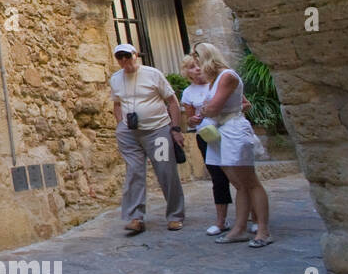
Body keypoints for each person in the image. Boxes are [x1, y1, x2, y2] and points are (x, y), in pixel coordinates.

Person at [196, 43, 273, 247]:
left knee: (250, 181)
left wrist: (205, 109)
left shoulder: (227, 76)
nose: (195, 65)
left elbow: (212, 108)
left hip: (233, 130)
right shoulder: (214, 81)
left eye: (197, 59)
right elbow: (209, 109)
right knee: (239, 184)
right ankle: (239, 229)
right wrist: (206, 110)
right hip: (220, 133)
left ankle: (263, 230)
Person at [108, 43, 185, 234]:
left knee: (165, 171)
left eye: (127, 56)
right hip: (130, 134)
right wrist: (120, 124)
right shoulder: (116, 79)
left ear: (136, 55)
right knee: (134, 172)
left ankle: (175, 216)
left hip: (157, 130)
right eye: (120, 57)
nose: (124, 61)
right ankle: (135, 217)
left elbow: (172, 102)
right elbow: (117, 104)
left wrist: (175, 128)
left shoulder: (153, 74)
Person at [179, 55, 233, 235]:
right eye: (192, 67)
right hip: (207, 136)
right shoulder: (188, 93)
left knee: (239, 176)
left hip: (227, 132)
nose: (197, 69)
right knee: (217, 177)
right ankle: (221, 221)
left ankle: (252, 215)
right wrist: (193, 120)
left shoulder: (220, 82)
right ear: (187, 72)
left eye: (199, 65)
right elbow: (190, 120)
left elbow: (242, 104)